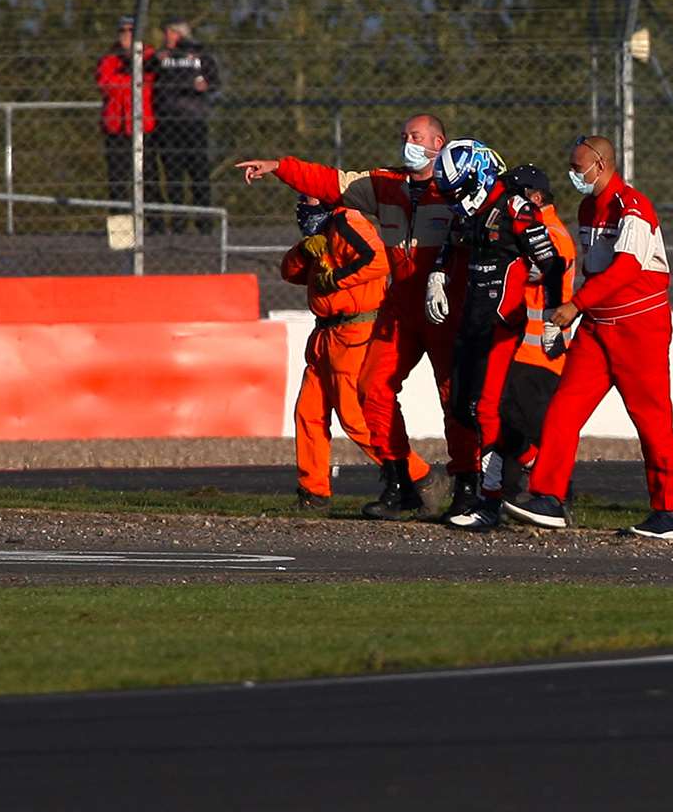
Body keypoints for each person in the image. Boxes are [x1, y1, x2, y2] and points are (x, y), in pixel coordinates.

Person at [236, 114, 465, 520]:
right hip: (383, 313)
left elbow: (375, 257)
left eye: (414, 136)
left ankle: (462, 485)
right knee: (361, 395)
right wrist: (280, 168)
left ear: (438, 141)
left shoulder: (456, 188)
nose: (406, 142)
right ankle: (388, 487)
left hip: (419, 311)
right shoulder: (385, 185)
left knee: (451, 398)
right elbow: (330, 183)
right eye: (403, 135)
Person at [504, 134, 673, 540]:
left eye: (577, 166)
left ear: (601, 165)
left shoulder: (631, 207)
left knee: (651, 420)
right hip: (598, 328)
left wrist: (574, 305)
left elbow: (625, 270)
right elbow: (596, 269)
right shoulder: (588, 207)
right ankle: (548, 497)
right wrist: (581, 311)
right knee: (564, 409)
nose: (573, 173)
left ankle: (668, 512)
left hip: (639, 328)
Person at [430, 143, 575, 530]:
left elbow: (555, 263)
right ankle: (530, 460)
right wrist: (437, 276)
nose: (454, 201)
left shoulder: (516, 210)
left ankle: (490, 502)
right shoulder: (470, 213)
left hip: (500, 325)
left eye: (457, 191)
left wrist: (554, 317)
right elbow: (450, 243)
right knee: (461, 408)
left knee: (485, 409)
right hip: (470, 320)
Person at [282, 194, 433, 507]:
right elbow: (291, 273)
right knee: (308, 413)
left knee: (354, 417)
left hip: (354, 331)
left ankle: (415, 476)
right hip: (325, 335)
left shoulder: (348, 222)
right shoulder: (322, 233)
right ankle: (314, 491)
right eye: (302, 200)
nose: (304, 207)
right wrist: (302, 251)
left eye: (310, 199)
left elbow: (378, 259)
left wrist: (336, 280)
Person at [150, 19, 222, 231]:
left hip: (193, 121)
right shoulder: (161, 57)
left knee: (198, 171)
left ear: (180, 34)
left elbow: (214, 81)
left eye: (171, 33)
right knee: (173, 172)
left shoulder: (200, 55)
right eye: (166, 32)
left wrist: (205, 85)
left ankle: (204, 222)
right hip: (168, 122)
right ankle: (179, 222)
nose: (167, 37)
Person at [94, 19, 156, 206]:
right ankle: (121, 233)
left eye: (131, 30)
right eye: (122, 30)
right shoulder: (109, 59)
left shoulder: (150, 57)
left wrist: (126, 79)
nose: (126, 34)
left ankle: (155, 227)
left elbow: (150, 83)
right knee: (117, 181)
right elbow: (106, 85)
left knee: (149, 178)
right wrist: (131, 79)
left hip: (143, 125)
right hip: (117, 127)